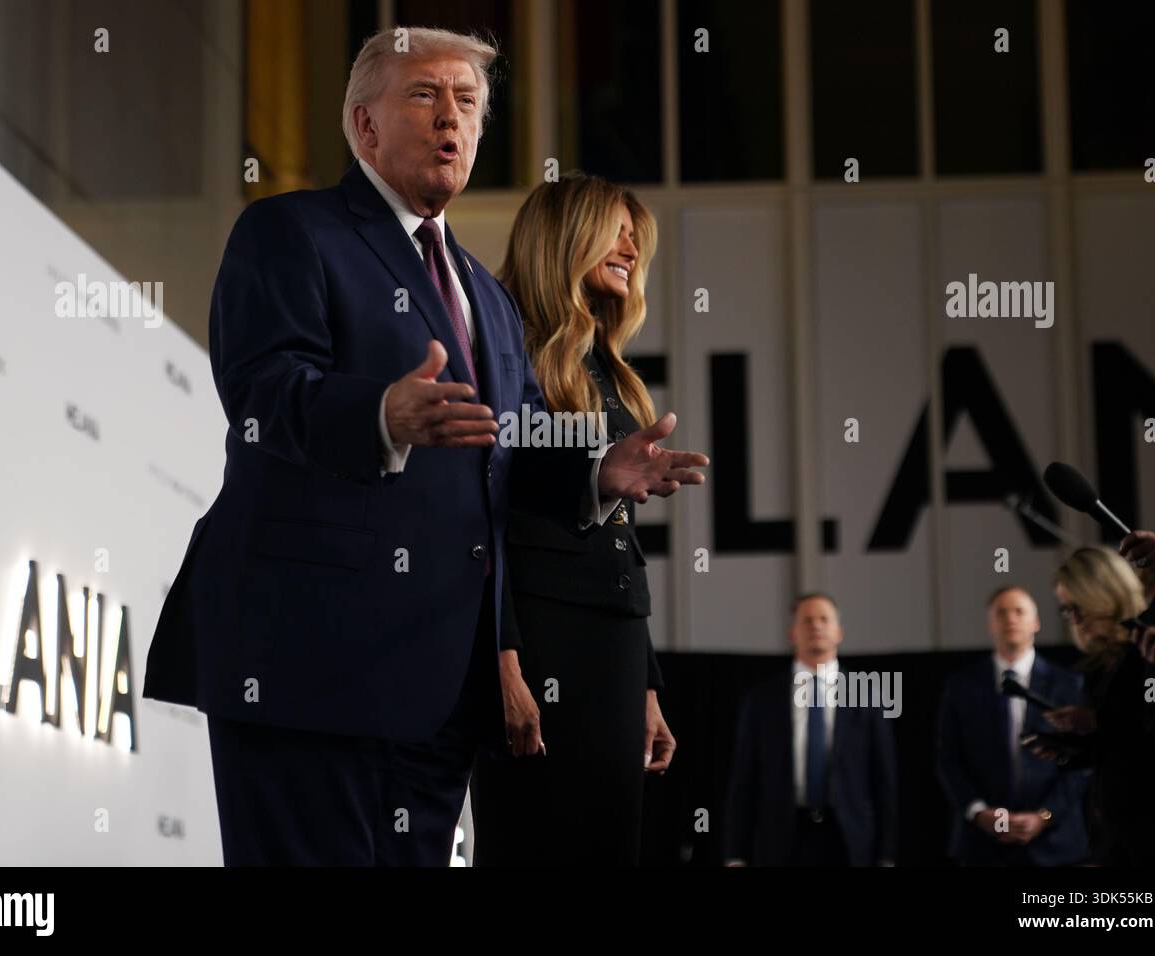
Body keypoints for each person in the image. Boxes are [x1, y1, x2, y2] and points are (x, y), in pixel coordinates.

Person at [141, 27, 707, 866]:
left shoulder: (488, 296)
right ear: (363, 126)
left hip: (440, 689)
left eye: (469, 104)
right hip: (307, 665)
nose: (452, 118)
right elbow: (261, 395)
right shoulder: (289, 233)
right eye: (425, 95)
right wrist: (380, 414)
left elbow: (506, 446)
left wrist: (595, 470)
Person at [468, 174, 675, 866]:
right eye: (613, 230)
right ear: (564, 237)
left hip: (613, 645)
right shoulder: (498, 343)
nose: (629, 246)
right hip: (536, 635)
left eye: (633, 236)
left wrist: (645, 683)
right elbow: (479, 514)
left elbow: (622, 539)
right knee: (533, 840)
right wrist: (500, 658)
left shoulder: (611, 369)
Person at [1040, 547, 1155, 865]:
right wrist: (1068, 748)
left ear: (1105, 594)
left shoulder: (1149, 650)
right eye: (1067, 610)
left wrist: (1095, 722)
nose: (1076, 619)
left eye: (1079, 606)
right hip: (1113, 834)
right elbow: (1109, 749)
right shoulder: (1099, 665)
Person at [723, 594, 897, 866]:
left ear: (839, 632)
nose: (815, 626)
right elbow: (744, 779)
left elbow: (884, 779)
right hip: (781, 839)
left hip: (850, 840)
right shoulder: (762, 699)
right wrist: (735, 854)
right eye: (806, 620)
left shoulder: (868, 696)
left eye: (824, 619)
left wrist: (887, 854)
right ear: (792, 633)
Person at [935, 586, 1088, 865]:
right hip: (982, 846)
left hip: (1055, 846)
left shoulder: (1068, 684)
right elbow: (948, 759)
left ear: (1036, 622)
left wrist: (1044, 816)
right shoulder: (961, 686)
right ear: (990, 623)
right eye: (1001, 613)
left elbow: (1082, 761)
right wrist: (979, 813)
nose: (1010, 619)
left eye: (1019, 611)